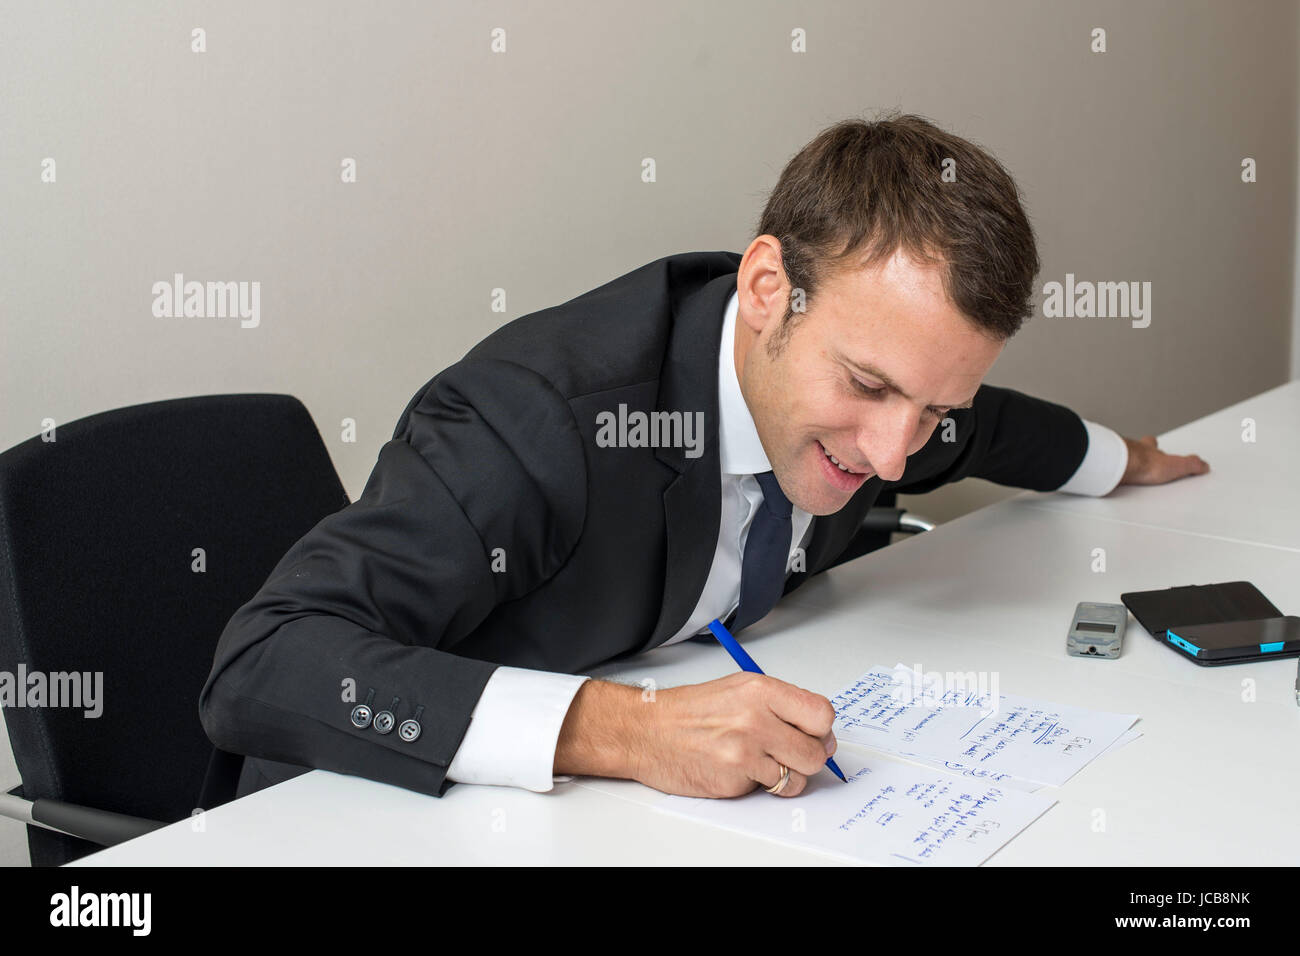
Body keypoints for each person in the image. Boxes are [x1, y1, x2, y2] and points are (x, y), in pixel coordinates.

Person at [199, 113, 1208, 803]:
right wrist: (626, 730)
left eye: (934, 402)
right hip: (373, 810)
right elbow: (262, 662)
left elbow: (994, 429)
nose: (897, 453)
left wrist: (1119, 458)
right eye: (868, 385)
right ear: (767, 286)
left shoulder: (893, 404)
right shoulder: (538, 422)